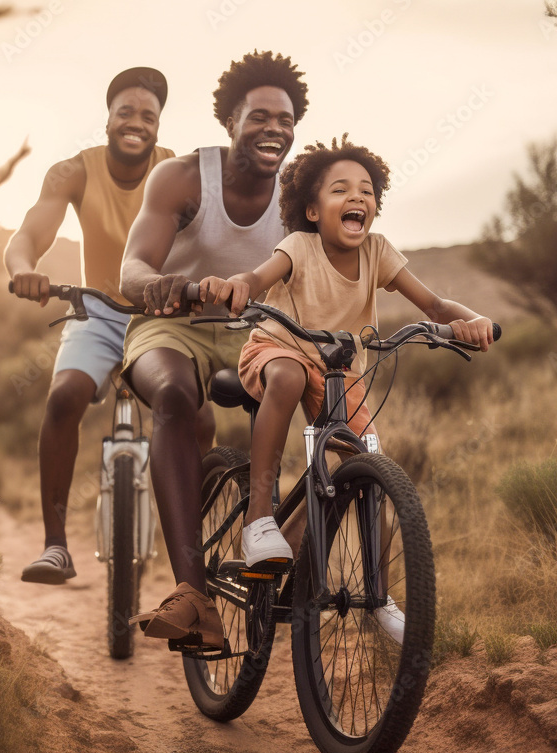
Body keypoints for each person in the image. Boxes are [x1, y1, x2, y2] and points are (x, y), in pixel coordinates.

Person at [198, 136, 494, 641]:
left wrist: (473, 319)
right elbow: (258, 275)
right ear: (312, 210)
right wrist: (240, 285)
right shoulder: (300, 246)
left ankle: (378, 596)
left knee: (367, 465)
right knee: (289, 375)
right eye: (340, 189)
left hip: (337, 368)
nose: (357, 196)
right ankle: (258, 520)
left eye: (367, 190)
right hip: (276, 350)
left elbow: (436, 307)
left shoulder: (378, 251)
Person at [121, 51, 309, 650]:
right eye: (259, 117)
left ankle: (291, 542)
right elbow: (132, 267)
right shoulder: (181, 178)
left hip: (260, 330)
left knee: (325, 408)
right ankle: (192, 597)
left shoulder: (299, 192)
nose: (273, 129)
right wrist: (161, 284)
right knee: (175, 397)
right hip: (176, 324)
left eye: (285, 119)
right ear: (230, 121)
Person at [5, 67, 178, 584]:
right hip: (97, 311)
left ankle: (197, 555)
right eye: (125, 111)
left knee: (197, 419)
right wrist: (24, 270)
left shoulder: (175, 170)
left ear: (158, 127)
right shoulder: (73, 171)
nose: (136, 123)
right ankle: (56, 545)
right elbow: (28, 234)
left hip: (162, 316)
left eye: (148, 116)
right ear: (107, 119)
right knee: (63, 399)